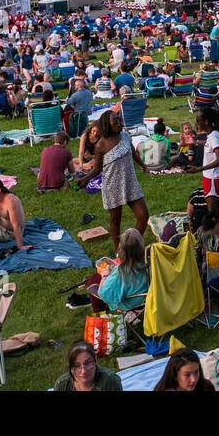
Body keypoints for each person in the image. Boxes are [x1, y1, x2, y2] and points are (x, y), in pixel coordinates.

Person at [78, 110, 149, 249]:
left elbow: (134, 153)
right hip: (112, 186)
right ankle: (119, 251)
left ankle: (132, 247)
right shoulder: (101, 145)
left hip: (130, 182)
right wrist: (85, 179)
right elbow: (97, 169)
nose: (119, 122)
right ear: (106, 124)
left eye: (119, 119)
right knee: (115, 220)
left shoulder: (125, 136)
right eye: (114, 121)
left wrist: (144, 166)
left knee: (143, 216)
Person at [82, 228, 150, 312]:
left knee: (93, 278)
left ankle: (100, 312)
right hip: (148, 298)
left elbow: (103, 294)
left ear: (121, 250)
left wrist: (105, 275)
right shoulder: (151, 261)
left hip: (131, 304)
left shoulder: (120, 273)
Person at [183, 109, 219, 197]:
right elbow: (209, 144)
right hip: (213, 177)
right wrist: (196, 142)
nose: (196, 123)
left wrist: (198, 169)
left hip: (213, 178)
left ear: (206, 122)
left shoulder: (213, 137)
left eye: (198, 120)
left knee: (213, 209)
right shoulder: (213, 133)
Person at [54, 341, 124, 392]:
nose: (83, 371)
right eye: (77, 366)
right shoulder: (62, 384)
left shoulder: (110, 381)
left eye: (87, 363)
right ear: (71, 368)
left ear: (95, 361)